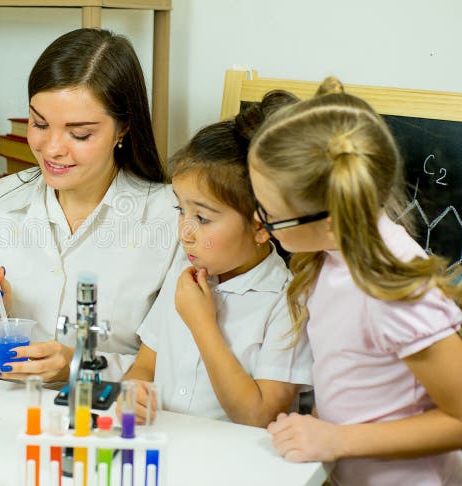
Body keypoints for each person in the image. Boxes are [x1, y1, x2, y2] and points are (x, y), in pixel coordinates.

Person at [250, 77, 462, 484]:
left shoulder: (394, 290)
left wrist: (337, 439)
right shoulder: (331, 259)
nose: (259, 220)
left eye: (270, 212)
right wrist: (319, 432)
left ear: (329, 221)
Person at [0, 28, 182, 382]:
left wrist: (76, 365)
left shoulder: (171, 219)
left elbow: (178, 364)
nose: (51, 149)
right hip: (10, 415)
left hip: (110, 421)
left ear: (123, 129)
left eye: (79, 134)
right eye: (39, 124)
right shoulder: (2, 201)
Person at [123, 91, 312, 426]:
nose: (185, 231)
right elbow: (144, 366)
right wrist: (132, 391)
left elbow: (260, 416)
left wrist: (202, 324)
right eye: (181, 210)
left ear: (261, 225)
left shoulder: (288, 302)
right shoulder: (184, 273)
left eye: (204, 218)